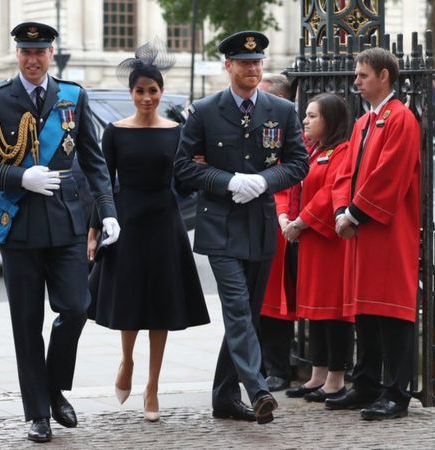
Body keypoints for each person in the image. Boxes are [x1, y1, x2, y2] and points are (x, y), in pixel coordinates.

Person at [0, 22, 120, 443]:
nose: (33, 60)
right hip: (19, 223)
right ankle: (38, 413)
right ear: (17, 54)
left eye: (41, 52)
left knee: (75, 307)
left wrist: (106, 211)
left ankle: (52, 388)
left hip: (66, 219)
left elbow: (94, 159)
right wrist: (17, 177)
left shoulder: (73, 96)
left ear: (52, 53)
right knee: (26, 321)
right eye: (26, 52)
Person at [174, 31, 308, 425]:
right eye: (244, 62)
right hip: (220, 224)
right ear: (228, 65)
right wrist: (227, 181)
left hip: (260, 223)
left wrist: (266, 181)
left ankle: (223, 397)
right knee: (236, 308)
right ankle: (258, 388)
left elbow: (297, 162)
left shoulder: (281, 110)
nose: (252, 69)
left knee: (247, 315)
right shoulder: (204, 110)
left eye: (257, 62)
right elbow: (183, 167)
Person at [86, 42, 210, 422]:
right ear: (131, 93)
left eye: (153, 91)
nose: (147, 97)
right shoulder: (115, 132)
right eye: (140, 91)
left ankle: (152, 386)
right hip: (126, 222)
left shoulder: (177, 132)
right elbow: (102, 183)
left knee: (161, 305)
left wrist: (200, 167)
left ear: (160, 92)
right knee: (129, 301)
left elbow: (186, 183)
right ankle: (126, 361)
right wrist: (94, 230)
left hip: (164, 222)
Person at [325, 47, 420, 421]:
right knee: (364, 309)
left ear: (384, 76)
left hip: (388, 229)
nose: (356, 82)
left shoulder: (402, 119)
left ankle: (396, 392)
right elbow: (345, 173)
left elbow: (388, 176)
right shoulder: (364, 123)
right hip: (362, 229)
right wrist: (340, 211)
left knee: (393, 312)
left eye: (363, 75)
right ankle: (365, 382)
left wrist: (354, 214)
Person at [280, 93, 354, 402]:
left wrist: (301, 222)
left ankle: (336, 378)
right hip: (309, 240)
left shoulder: (342, 150)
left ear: (330, 120)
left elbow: (329, 193)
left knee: (333, 312)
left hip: (327, 241)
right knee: (314, 311)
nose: (305, 121)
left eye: (312, 116)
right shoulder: (314, 151)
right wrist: (287, 218)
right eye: (306, 115)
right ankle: (318, 374)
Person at [257, 73, 299, 393]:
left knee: (275, 303)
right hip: (254, 214)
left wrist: (282, 213)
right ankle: (253, 364)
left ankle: (277, 367)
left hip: (280, 217)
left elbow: (291, 173)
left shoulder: (286, 127)